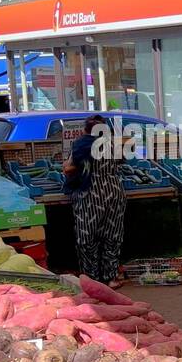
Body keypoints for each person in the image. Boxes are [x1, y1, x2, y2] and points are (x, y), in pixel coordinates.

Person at [63, 115, 127, 288]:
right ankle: (111, 277)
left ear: (85, 130)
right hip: (114, 191)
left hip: (91, 193)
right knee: (112, 236)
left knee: (87, 237)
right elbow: (121, 160)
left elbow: (68, 168)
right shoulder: (114, 145)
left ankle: (91, 279)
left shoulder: (82, 144)